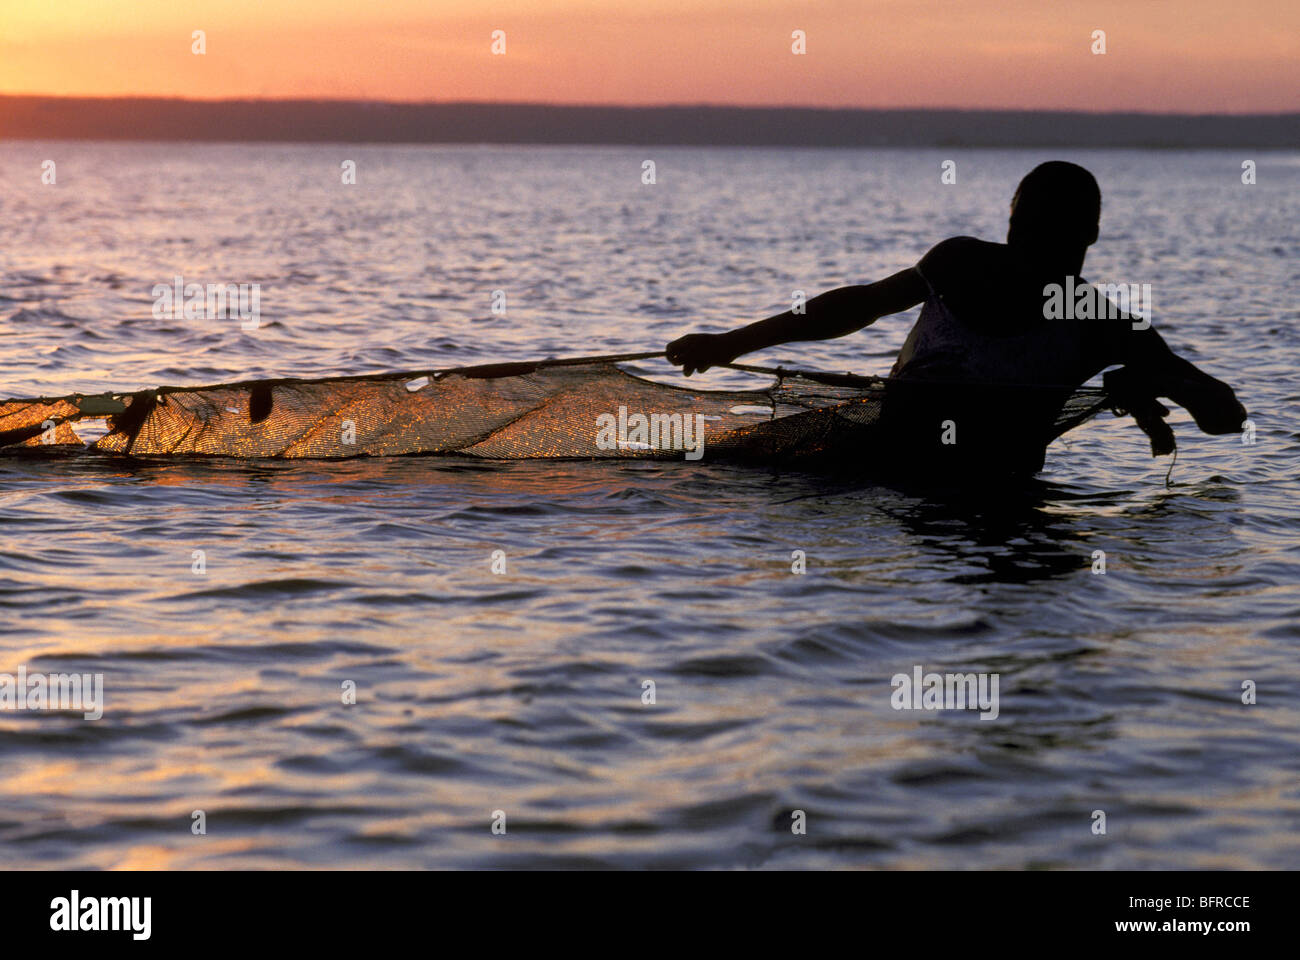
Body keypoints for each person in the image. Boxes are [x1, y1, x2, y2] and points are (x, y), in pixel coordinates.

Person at [665, 161, 1246, 476]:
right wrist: (730, 343)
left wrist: (1161, 380)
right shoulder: (962, 261)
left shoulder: (1100, 320)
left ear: (1088, 235)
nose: (1032, 241)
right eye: (1027, 224)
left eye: (1052, 227)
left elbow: (1228, 418)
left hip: (990, 491)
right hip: (887, 465)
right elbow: (854, 306)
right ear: (1010, 221)